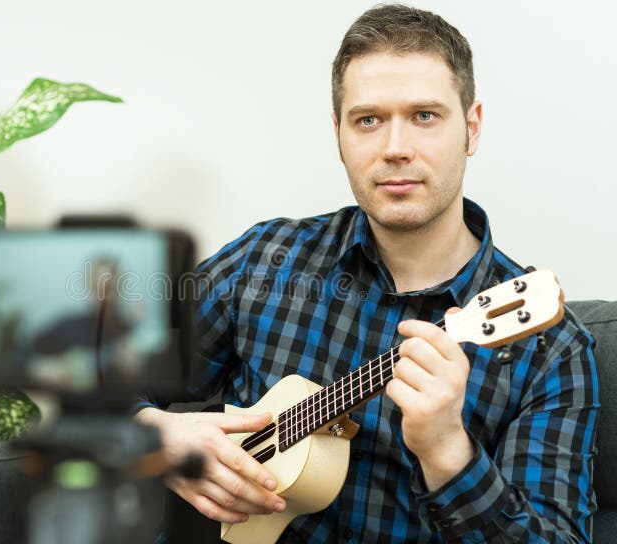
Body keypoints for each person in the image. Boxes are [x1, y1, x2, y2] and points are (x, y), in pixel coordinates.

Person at [136, 4, 599, 542]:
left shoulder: (551, 350)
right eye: (368, 120)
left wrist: (448, 453)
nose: (395, 148)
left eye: (424, 116)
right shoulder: (265, 260)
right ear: (339, 134)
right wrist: (154, 436)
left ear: (471, 129)